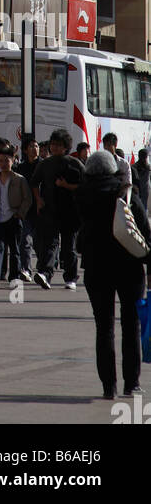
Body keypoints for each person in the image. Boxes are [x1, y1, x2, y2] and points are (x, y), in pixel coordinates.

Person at [76, 150, 150, 399]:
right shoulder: (126, 193)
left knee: (104, 327)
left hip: (96, 269)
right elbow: (144, 233)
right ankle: (132, 383)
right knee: (131, 324)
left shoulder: (82, 195)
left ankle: (109, 387)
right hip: (129, 268)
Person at [32, 128, 84, 290]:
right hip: (50, 210)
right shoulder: (45, 164)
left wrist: (66, 186)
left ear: (66, 147)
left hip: (71, 212)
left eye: (58, 145)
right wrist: (39, 200)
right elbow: (34, 183)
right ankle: (45, 274)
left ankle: (71, 278)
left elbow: (86, 185)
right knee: (50, 244)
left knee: (69, 247)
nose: (54, 148)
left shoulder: (75, 163)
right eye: (52, 144)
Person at [0, 144, 32, 286]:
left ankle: (14, 276)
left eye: (7, 160)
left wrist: (20, 213)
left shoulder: (19, 179)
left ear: (13, 161)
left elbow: (27, 198)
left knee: (15, 250)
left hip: (14, 218)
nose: (4, 164)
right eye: (1, 161)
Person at [15, 137, 40, 281]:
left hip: (41, 208)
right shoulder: (21, 168)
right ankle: (26, 269)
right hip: (26, 209)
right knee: (25, 240)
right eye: (31, 146)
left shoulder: (44, 165)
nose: (34, 148)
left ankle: (44, 268)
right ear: (25, 150)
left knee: (39, 243)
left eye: (36, 146)